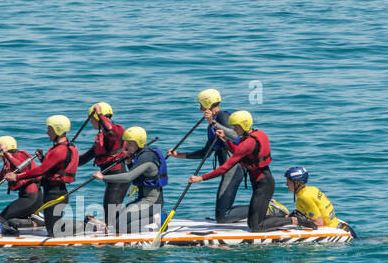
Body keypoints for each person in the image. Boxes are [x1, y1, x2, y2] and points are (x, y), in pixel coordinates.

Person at [189, 111, 274, 230]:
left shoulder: (248, 142)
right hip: (260, 181)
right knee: (253, 222)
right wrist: (225, 140)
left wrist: (201, 178)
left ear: (243, 126)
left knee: (255, 226)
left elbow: (225, 167)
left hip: (263, 182)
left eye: (236, 127)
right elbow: (239, 152)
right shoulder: (257, 134)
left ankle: (291, 220)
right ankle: (274, 212)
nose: (234, 130)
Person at [167, 88, 241, 221]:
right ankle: (255, 210)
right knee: (221, 215)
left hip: (234, 169)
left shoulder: (223, 116)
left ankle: (265, 208)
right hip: (226, 171)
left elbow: (235, 136)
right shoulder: (213, 124)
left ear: (208, 103)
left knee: (222, 217)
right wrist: (177, 155)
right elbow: (205, 153)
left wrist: (213, 122)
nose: (200, 108)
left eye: (201, 104)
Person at [93, 126, 167, 233]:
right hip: (142, 200)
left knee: (120, 225)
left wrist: (103, 177)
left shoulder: (146, 158)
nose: (127, 146)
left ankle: (160, 218)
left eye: (130, 143)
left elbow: (129, 177)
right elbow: (138, 176)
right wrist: (129, 163)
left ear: (139, 143)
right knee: (116, 222)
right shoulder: (140, 155)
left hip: (153, 203)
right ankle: (151, 219)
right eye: (126, 143)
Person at [23, 115, 80, 234]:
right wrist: (42, 158)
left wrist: (17, 176)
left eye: (49, 129)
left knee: (53, 230)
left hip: (56, 193)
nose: (47, 132)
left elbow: (40, 171)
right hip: (52, 192)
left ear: (57, 130)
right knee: (52, 228)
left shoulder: (60, 150)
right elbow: (53, 169)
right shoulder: (59, 148)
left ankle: (87, 226)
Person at [77, 102, 127, 225]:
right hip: (111, 179)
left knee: (110, 212)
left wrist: (98, 113)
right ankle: (113, 227)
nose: (90, 122)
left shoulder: (116, 131)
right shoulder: (101, 139)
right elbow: (82, 160)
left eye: (92, 119)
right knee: (110, 212)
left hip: (118, 177)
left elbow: (109, 129)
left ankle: (112, 234)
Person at [284, 166, 357, 237]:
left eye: (288, 182)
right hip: (344, 228)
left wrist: (295, 221)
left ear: (297, 183)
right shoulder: (312, 189)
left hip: (335, 232)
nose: (286, 185)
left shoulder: (304, 198)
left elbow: (319, 223)